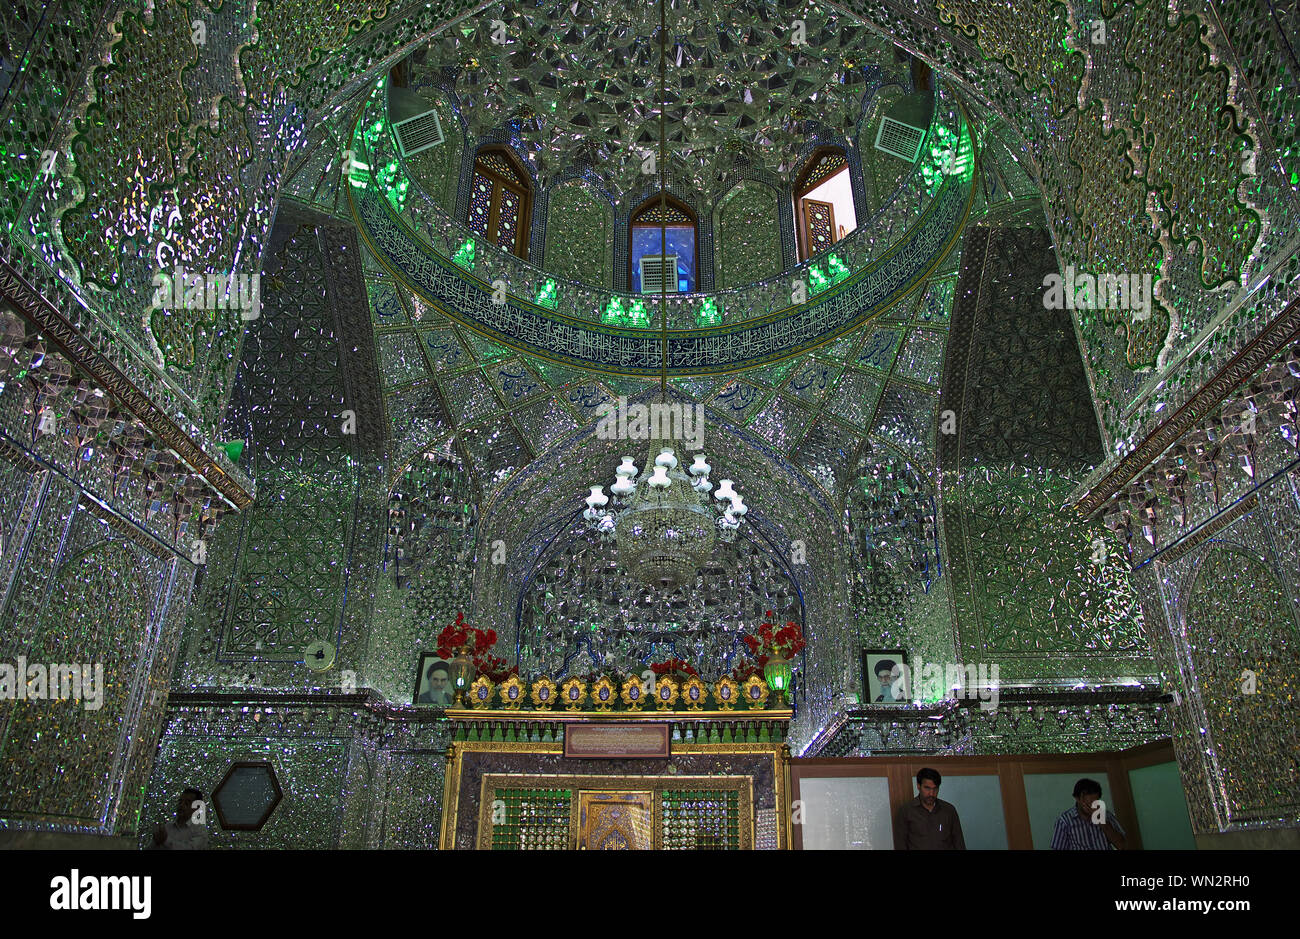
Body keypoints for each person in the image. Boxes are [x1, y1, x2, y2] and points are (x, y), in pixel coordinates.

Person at [897, 768, 965, 849]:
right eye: (927, 788)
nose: (931, 793)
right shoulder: (906, 811)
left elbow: (959, 843)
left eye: (935, 789)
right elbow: (900, 845)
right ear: (919, 786)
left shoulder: (949, 810)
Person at [1051, 778, 1127, 850]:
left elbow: (1121, 845)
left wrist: (1101, 820)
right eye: (1089, 803)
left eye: (1095, 802)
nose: (1093, 807)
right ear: (1077, 799)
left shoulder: (1106, 815)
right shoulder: (1064, 821)